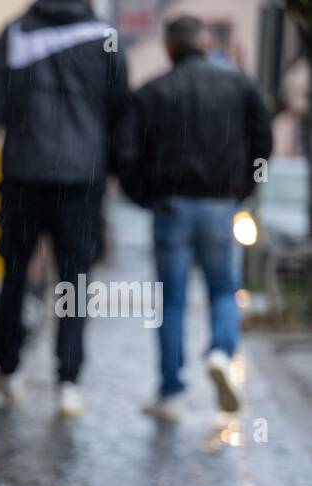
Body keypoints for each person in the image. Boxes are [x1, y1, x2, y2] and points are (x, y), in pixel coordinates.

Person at [0, 0, 129, 417]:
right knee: (75, 280)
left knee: (15, 273)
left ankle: (7, 371)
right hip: (82, 179)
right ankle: (68, 382)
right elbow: (121, 112)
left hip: (24, 172)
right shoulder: (105, 38)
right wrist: (114, 169)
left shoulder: (17, 32)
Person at [116, 15, 272, 423]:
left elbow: (125, 153)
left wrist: (146, 196)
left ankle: (171, 393)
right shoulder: (240, 85)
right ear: (204, 43)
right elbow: (263, 141)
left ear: (168, 47)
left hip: (171, 206)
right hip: (221, 204)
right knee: (223, 290)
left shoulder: (153, 92)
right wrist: (243, 189)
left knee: (172, 302)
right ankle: (221, 351)